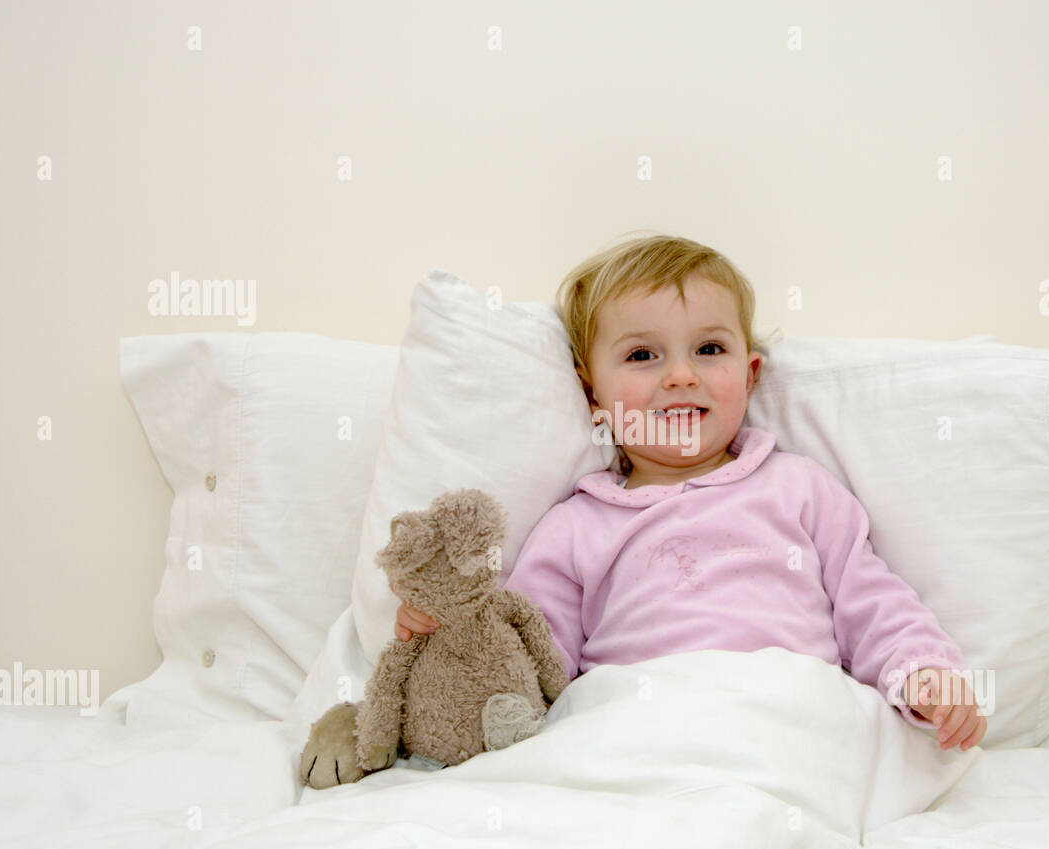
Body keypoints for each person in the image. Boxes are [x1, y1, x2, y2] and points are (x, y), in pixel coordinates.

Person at [394, 233, 987, 752]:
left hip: (789, 718)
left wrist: (922, 671)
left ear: (750, 375)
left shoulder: (798, 488)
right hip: (639, 724)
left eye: (709, 350)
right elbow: (530, 656)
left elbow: (872, 602)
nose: (681, 375)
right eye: (643, 355)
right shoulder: (575, 527)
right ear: (593, 394)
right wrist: (452, 631)